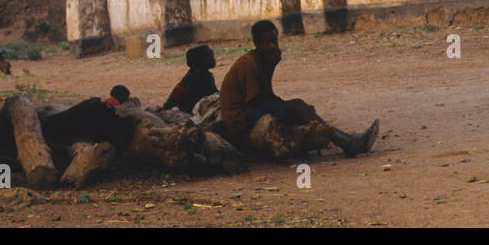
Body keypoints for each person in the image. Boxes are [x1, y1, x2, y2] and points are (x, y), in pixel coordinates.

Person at [218, 20, 380, 161]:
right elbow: (255, 100)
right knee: (297, 107)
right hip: (239, 117)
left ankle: (345, 139)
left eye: (275, 41)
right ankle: (347, 142)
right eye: (267, 43)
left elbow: (267, 92)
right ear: (256, 43)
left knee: (301, 108)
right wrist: (289, 108)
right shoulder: (248, 64)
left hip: (252, 108)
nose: (273, 46)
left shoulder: (265, 58)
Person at [162, 45, 219, 114]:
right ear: (202, 60)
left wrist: (165, 107)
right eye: (211, 57)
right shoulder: (204, 78)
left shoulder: (191, 75)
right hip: (195, 112)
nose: (214, 59)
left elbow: (176, 94)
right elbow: (214, 96)